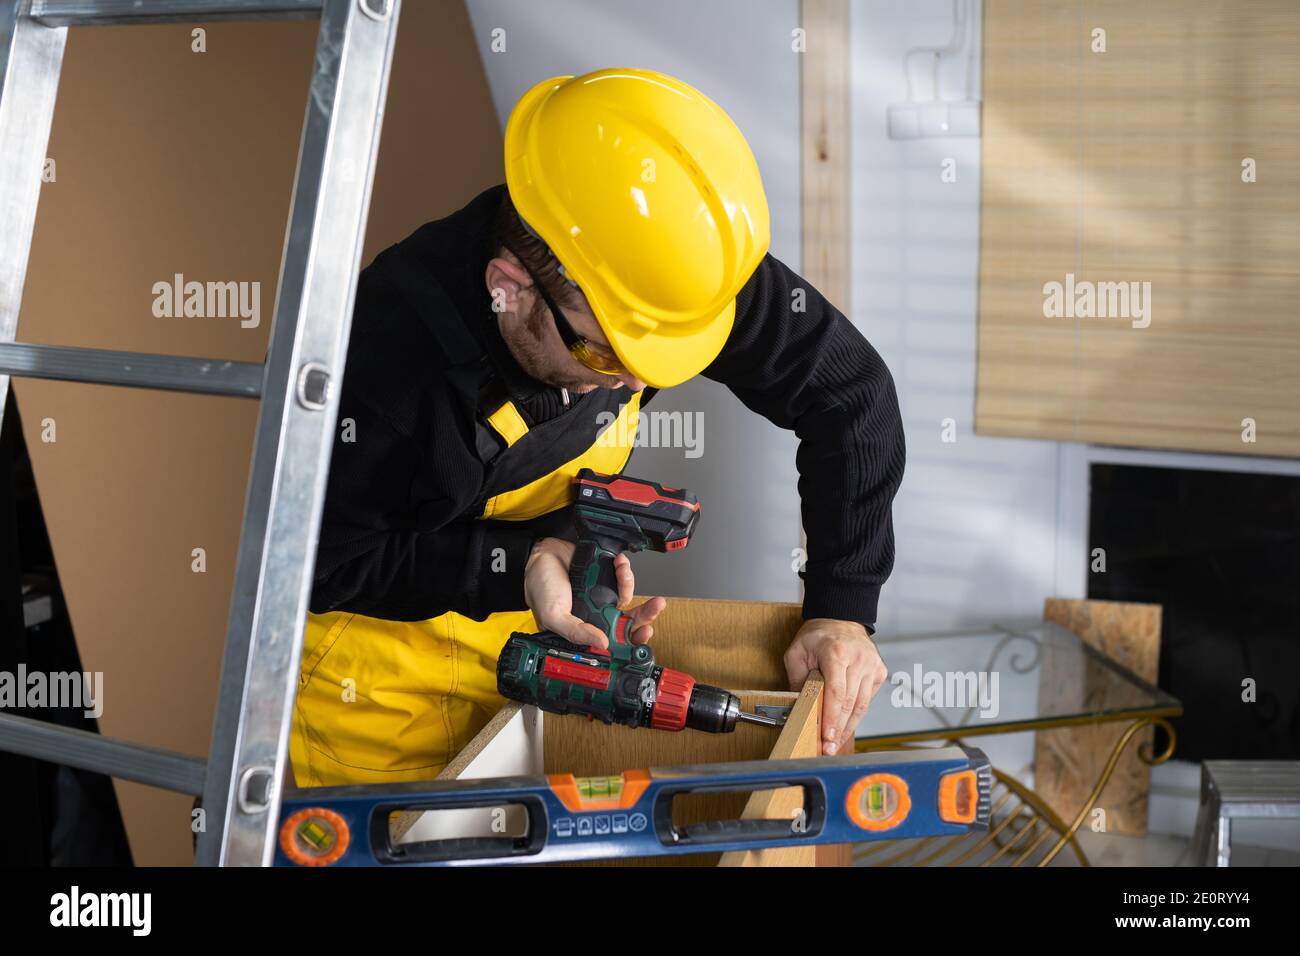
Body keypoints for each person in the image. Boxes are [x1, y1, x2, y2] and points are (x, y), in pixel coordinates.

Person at [288, 68, 905, 788]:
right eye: (607, 351)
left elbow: (849, 393)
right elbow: (324, 565)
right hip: (381, 706)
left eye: (662, 355)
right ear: (507, 288)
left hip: (537, 658)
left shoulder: (659, 271)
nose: (637, 381)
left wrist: (842, 608)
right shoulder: (386, 380)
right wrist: (520, 560)